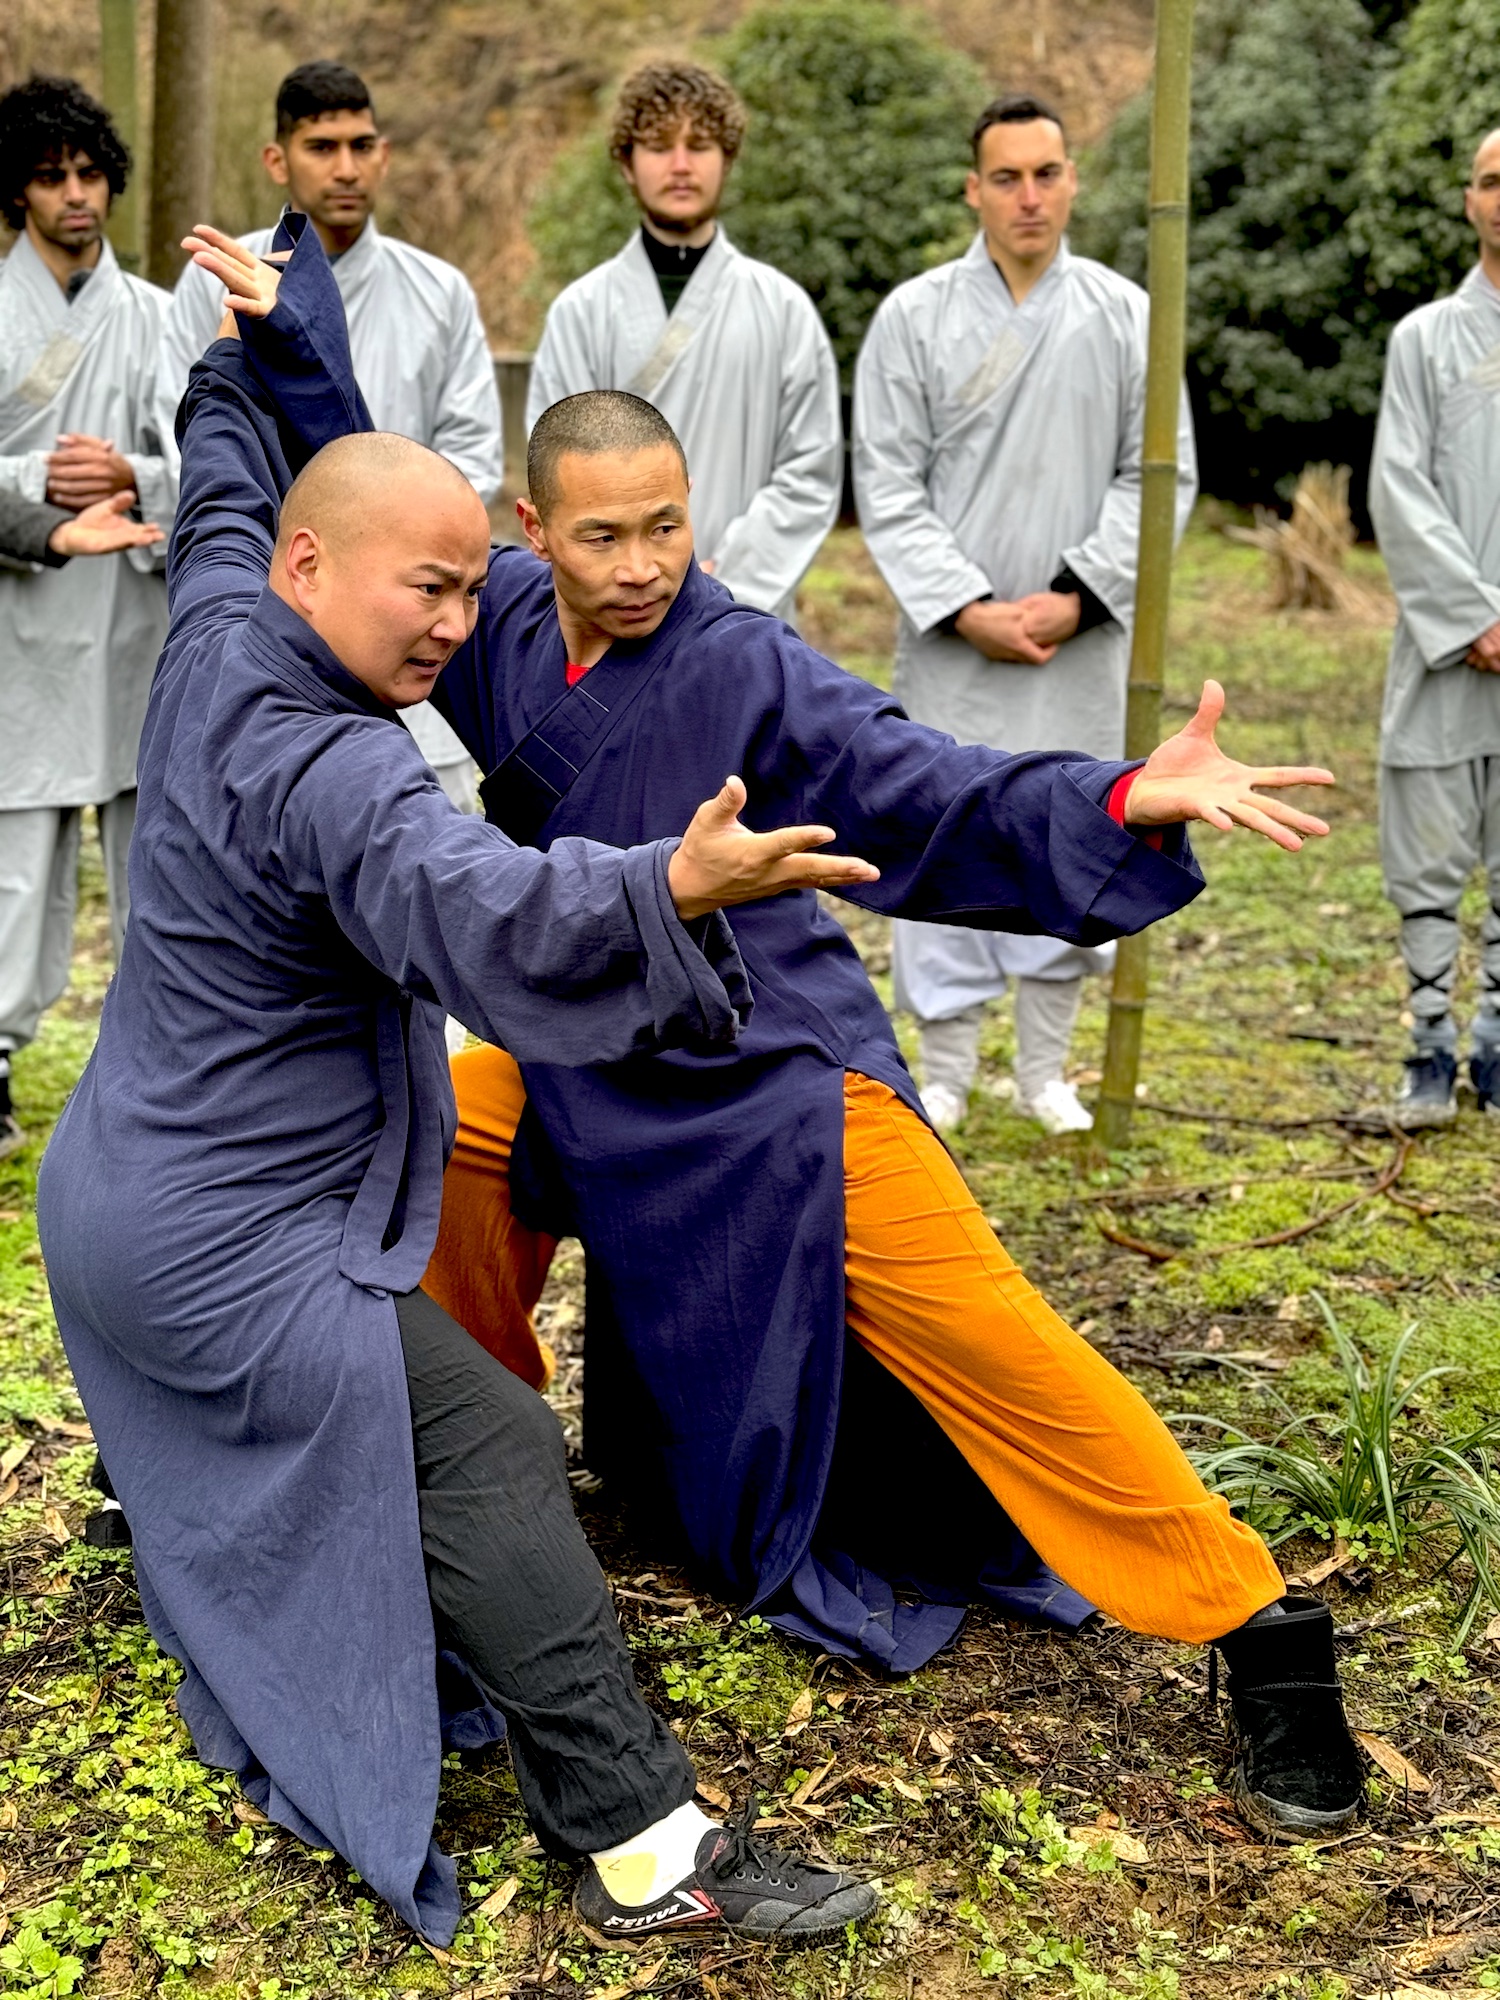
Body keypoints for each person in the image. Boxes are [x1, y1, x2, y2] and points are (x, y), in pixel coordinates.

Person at [220, 223, 1367, 1846]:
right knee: (434, 1142)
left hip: (763, 1066)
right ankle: (454, 1489)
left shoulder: (748, 663)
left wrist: (1121, 795)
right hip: (582, 1047)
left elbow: (928, 786)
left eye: (668, 527)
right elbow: (372, 497)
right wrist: (291, 345)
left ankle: (1258, 1626)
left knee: (995, 1333)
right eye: (602, 536)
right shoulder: (493, 622)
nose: (642, 565)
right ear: (535, 532)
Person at [39, 214, 883, 1950]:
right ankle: (642, 1841)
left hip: (117, 1185)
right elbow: (487, 904)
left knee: (384, 1417)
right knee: (484, 1431)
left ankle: (175, 1502)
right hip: (223, 1243)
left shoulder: (217, 615)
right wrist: (666, 887)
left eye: (463, 585)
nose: (450, 623)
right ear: (313, 568)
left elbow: (222, 482)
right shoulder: (337, 772)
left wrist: (249, 350)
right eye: (419, 588)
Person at [854, 95, 1197, 1135]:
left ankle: (1047, 1071)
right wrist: (964, 605)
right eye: (1006, 177)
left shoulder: (1130, 317)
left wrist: (1079, 596)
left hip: (1077, 644)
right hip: (956, 645)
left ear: (1074, 180)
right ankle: (948, 1070)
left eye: (1047, 173)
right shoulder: (913, 316)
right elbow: (886, 479)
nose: (1029, 197)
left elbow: (1160, 474)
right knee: (943, 829)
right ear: (975, 189)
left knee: (1074, 830)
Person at [154, 59, 498, 810]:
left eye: (360, 145)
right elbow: (188, 445)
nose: (345, 168)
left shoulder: (439, 293)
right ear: (277, 159)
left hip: (415, 632)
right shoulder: (218, 277)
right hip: (264, 640)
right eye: (321, 147)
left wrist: (398, 551)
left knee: (416, 844)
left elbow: (474, 455)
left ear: (384, 154)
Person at [0, 74, 174, 1161]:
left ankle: (154, 1068)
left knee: (153, 856)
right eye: (49, 175)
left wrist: (134, 474)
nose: (75, 194)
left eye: (89, 173)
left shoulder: (156, 316)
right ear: (17, 192)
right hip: (20, 625)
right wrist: (43, 497)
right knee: (17, 866)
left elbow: (211, 457)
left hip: (132, 623)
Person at [527, 59, 841, 624]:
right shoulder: (582, 311)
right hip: (614, 607)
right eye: (658, 146)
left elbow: (809, 469)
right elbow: (557, 472)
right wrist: (629, 569)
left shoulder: (784, 308)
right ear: (626, 163)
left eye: (699, 145)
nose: (680, 165)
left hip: (747, 611)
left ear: (728, 158)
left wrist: (727, 579)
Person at [1369, 127, 1500, 1127]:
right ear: (1469, 201)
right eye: (1494, 181)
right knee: (1427, 849)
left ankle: (1494, 1041)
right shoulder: (1423, 338)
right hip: (1444, 645)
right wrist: (1475, 617)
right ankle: (1428, 1043)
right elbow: (1398, 487)